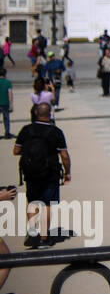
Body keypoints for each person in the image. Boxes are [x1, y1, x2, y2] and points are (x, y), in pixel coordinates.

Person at [12, 102, 71, 248]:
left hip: (31, 173)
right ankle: (44, 238)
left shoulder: (26, 130)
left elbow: (16, 151)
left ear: (36, 113)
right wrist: (67, 171)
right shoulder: (56, 131)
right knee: (48, 205)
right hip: (50, 173)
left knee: (33, 203)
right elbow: (64, 155)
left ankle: (33, 231)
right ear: (50, 113)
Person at [0, 66, 13, 139]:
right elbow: (10, 93)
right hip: (5, 102)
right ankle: (7, 133)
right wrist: (11, 104)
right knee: (6, 118)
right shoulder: (8, 82)